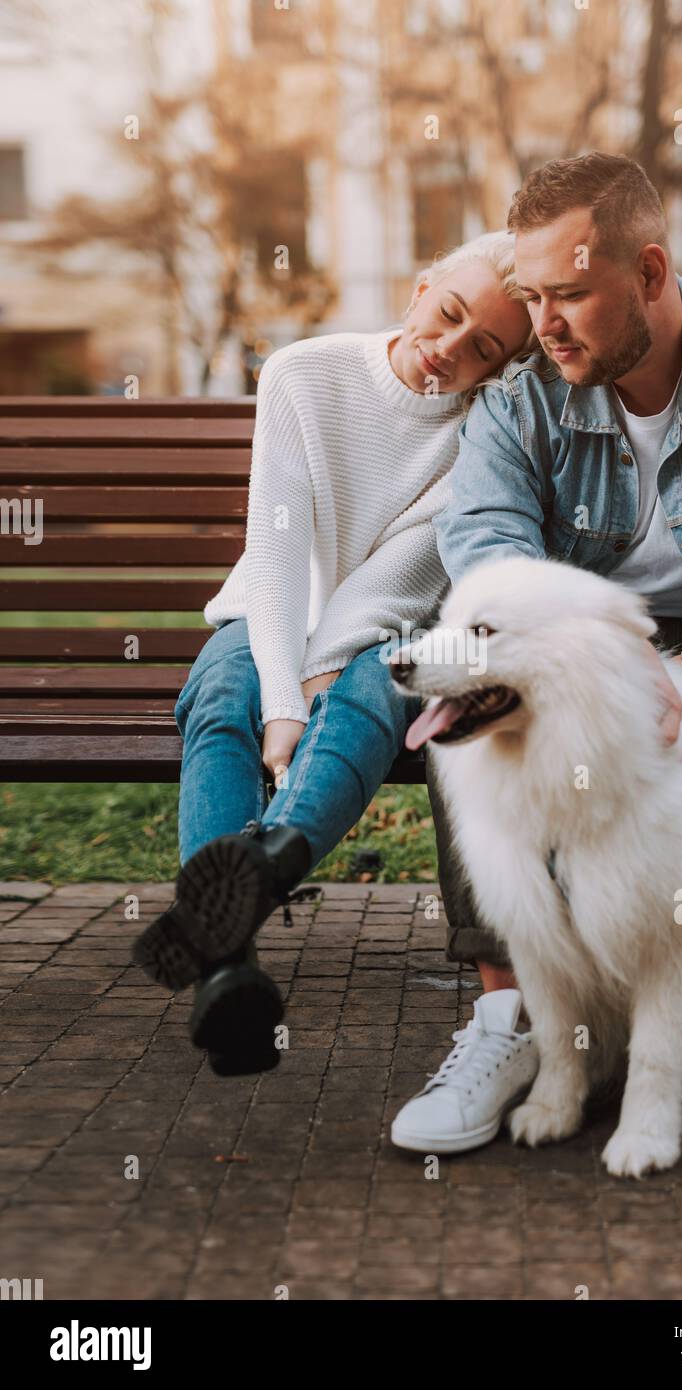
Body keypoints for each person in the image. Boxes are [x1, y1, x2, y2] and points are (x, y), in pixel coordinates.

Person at [390, 153, 682, 1181]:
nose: (543, 323)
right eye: (529, 296)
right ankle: (506, 1008)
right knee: (469, 670)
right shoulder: (522, 400)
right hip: (591, 661)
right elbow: (486, 547)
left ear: (648, 272)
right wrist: (592, 654)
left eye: (568, 294)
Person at [131, 231, 532, 1076]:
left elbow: (391, 582)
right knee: (221, 703)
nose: (449, 349)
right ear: (421, 287)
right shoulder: (302, 373)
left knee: (378, 690)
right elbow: (276, 556)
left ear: (501, 367)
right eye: (448, 314)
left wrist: (320, 677)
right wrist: (283, 705)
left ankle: (234, 905)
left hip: (378, 626)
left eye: (483, 349)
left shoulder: (485, 429)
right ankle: (227, 969)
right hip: (267, 611)